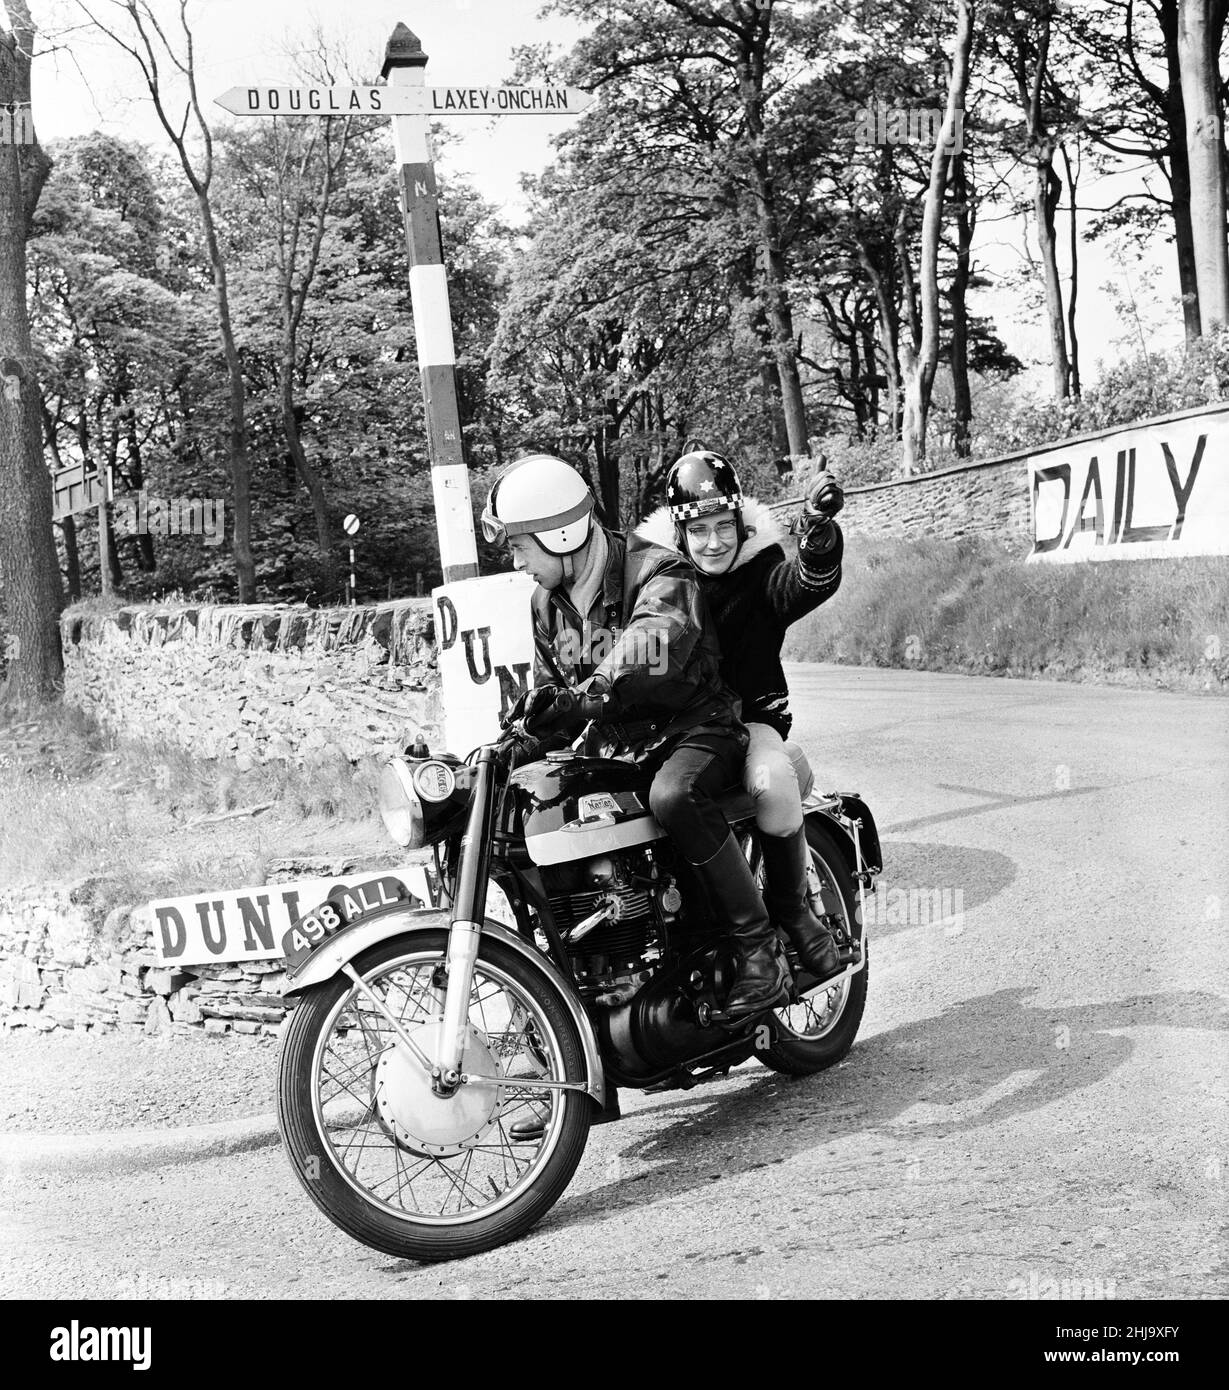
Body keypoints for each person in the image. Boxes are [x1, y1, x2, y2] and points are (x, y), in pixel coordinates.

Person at [481, 453, 791, 1022]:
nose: (517, 560)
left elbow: (651, 646)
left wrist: (590, 694)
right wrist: (507, 748)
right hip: (621, 750)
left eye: (521, 545)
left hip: (696, 729)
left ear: (559, 534)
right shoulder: (545, 606)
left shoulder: (657, 570)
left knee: (673, 796)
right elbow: (552, 701)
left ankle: (759, 948)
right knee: (535, 810)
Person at [636, 448, 846, 984]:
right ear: (679, 533)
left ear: (740, 521)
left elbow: (800, 585)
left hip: (749, 721)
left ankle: (794, 915)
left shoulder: (761, 569)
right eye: (699, 529)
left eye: (724, 526)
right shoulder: (656, 579)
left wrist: (816, 536)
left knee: (771, 776)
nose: (714, 542)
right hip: (676, 734)